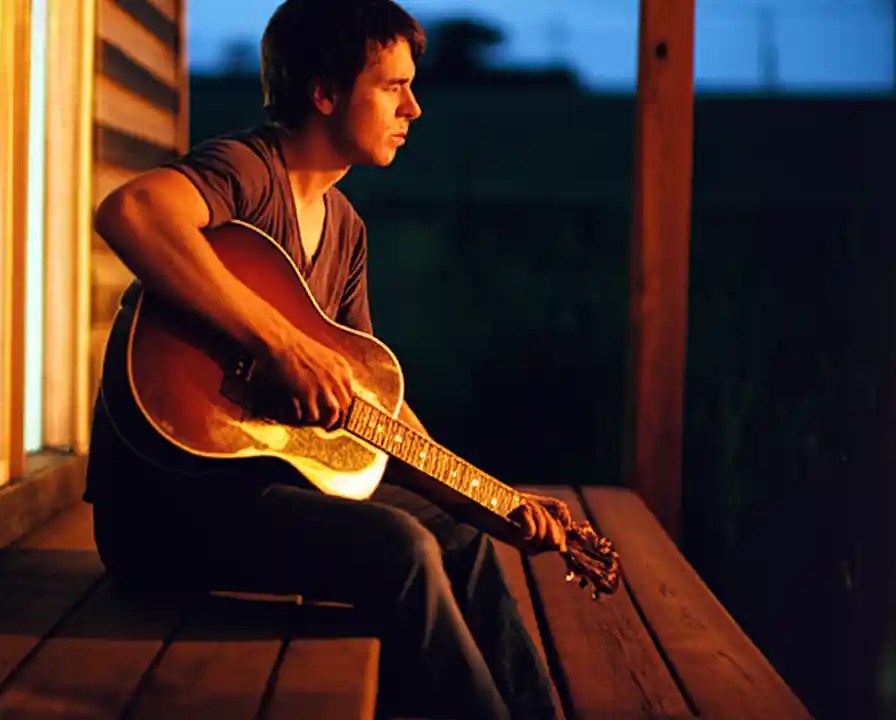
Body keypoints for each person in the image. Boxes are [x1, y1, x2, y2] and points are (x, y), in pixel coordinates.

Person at [88, 1, 570, 717]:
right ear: (323, 93)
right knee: (400, 548)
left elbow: (374, 408)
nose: (414, 107)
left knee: (462, 537)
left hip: (258, 490)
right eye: (391, 87)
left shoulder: (346, 229)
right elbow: (131, 211)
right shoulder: (247, 171)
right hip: (165, 511)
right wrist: (278, 345)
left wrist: (491, 497)